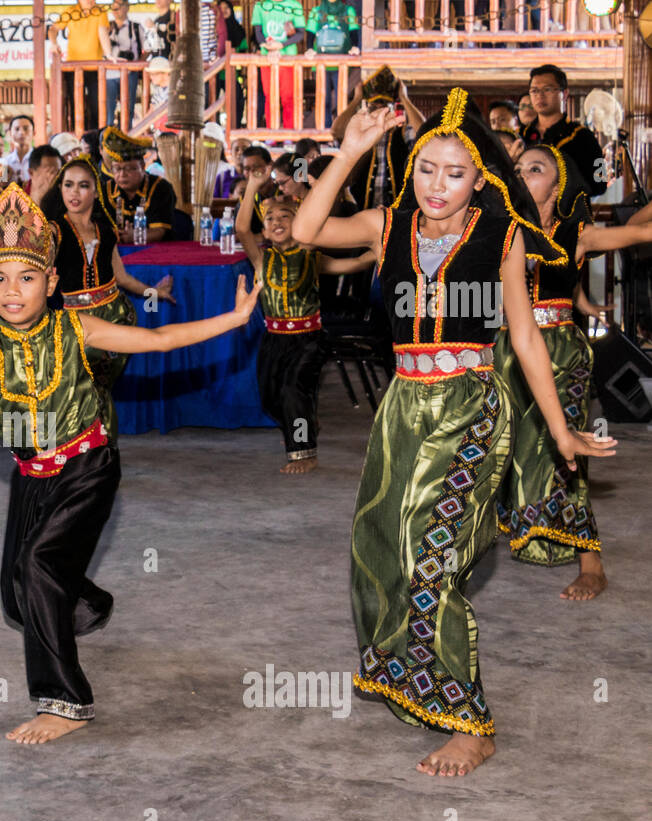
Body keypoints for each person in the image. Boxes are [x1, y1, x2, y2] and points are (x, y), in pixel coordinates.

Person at [292, 89, 616, 776]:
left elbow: (525, 335)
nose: (439, 185)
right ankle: (407, 672)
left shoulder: (501, 235)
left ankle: (470, 722)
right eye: (428, 169)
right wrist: (351, 148)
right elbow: (306, 232)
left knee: (432, 557)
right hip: (402, 404)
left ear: (480, 178)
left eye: (457, 172)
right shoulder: (389, 224)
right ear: (412, 170)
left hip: (471, 404)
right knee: (378, 545)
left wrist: (561, 431)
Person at [0, 183, 262, 744]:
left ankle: (64, 701)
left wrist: (231, 320)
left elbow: (157, 341)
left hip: (88, 467)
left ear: (51, 283)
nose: (12, 291)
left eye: (27, 278)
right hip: (30, 476)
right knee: (17, 593)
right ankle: (87, 601)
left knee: (38, 567)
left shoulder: (77, 327)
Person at [499, 145, 652, 599]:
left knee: (566, 450)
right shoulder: (498, 230)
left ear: (558, 184)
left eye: (536, 168)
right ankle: (505, 530)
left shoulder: (577, 234)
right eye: (518, 168)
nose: (523, 175)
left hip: (562, 353)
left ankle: (593, 563)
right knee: (509, 448)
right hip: (507, 350)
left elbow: (635, 235)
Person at [236, 168, 372, 474]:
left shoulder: (310, 253)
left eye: (285, 216)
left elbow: (349, 264)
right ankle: (306, 420)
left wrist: (372, 256)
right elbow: (243, 229)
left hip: (308, 339)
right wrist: (252, 188)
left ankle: (303, 452)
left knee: (292, 392)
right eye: (270, 219)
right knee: (270, 397)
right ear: (265, 231)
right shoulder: (260, 259)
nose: (277, 222)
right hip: (273, 339)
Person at [40, 154, 174, 439]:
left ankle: (97, 453)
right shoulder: (54, 230)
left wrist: (154, 292)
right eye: (68, 185)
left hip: (116, 316)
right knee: (86, 389)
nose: (74, 193)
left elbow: (122, 277)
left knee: (94, 388)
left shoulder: (106, 230)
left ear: (95, 190)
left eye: (83, 185)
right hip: (75, 322)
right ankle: (96, 451)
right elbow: (38, 261)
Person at [330, 68, 425, 209]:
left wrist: (405, 98)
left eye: (384, 105)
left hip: (398, 214)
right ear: (367, 106)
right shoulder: (359, 134)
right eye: (375, 105)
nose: (380, 108)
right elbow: (336, 131)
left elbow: (424, 133)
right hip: (361, 213)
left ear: (391, 108)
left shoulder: (402, 133)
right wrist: (357, 99)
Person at [520, 65, 604, 199]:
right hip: (527, 215)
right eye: (534, 90)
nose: (540, 96)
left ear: (564, 94)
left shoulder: (583, 137)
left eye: (547, 89)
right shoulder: (521, 136)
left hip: (570, 215)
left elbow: (600, 184)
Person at [102, 126, 176, 243]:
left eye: (129, 168)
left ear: (142, 166)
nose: (122, 174)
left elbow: (160, 231)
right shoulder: (106, 189)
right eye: (117, 169)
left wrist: (134, 236)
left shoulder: (160, 187)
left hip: (157, 252)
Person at [50, 0, 112, 131]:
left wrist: (109, 54)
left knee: (97, 104)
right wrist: (53, 43)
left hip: (95, 67)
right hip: (74, 67)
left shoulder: (100, 11)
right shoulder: (71, 10)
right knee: (75, 104)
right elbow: (53, 29)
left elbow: (103, 33)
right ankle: (76, 134)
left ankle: (96, 134)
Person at [251, 0, 306, 130]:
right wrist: (269, 47)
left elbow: (300, 33)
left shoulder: (295, 5)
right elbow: (258, 32)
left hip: (288, 58)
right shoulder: (260, 5)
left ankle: (289, 133)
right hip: (268, 58)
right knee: (270, 96)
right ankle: (272, 131)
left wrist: (281, 45)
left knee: (288, 97)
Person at [304, 0, 359, 127]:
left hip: (341, 64)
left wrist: (355, 47)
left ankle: (339, 132)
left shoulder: (348, 11)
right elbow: (311, 33)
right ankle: (324, 132)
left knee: (342, 101)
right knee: (324, 100)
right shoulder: (316, 11)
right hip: (321, 64)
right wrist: (309, 49)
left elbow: (353, 32)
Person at [106, 0, 146, 128]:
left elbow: (147, 49)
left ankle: (127, 134)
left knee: (128, 108)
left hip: (129, 73)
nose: (116, 11)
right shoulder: (107, 27)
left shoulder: (136, 27)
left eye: (119, 8)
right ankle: (108, 135)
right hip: (109, 74)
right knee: (108, 109)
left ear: (127, 8)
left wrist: (136, 63)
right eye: (113, 8)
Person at [2, 115, 35, 187]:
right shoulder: (4, 162)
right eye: (17, 129)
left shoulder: (40, 161)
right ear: (10, 133)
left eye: (26, 128)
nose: (21, 132)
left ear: (34, 133)